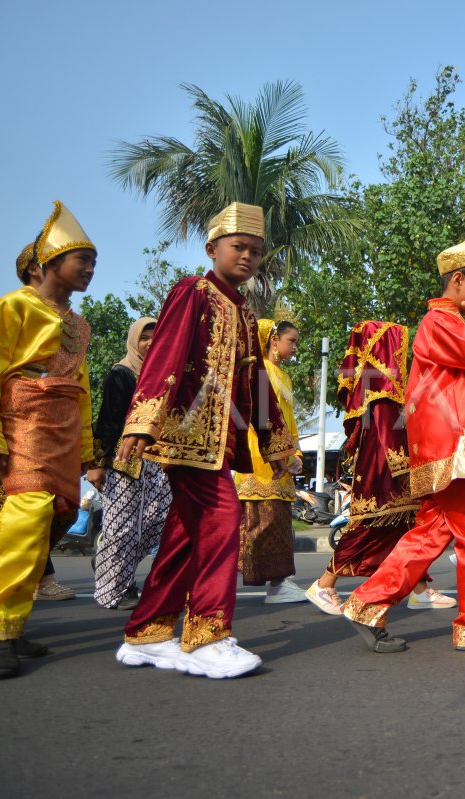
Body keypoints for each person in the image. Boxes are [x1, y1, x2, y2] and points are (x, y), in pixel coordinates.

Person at [113, 202, 293, 679]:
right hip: (185, 436)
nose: (248, 256)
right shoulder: (192, 292)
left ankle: (147, 632)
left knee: (184, 535)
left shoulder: (246, 314)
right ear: (212, 248)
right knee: (222, 516)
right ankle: (207, 635)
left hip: (219, 444)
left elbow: (256, 384)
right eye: (239, 247)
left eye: (256, 251)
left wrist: (274, 443)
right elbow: (166, 353)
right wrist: (142, 420)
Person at [341, 229, 465, 653]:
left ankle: (366, 604)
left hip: (450, 450)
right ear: (458, 280)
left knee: (430, 533)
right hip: (454, 449)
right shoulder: (439, 321)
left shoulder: (447, 322)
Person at [0, 201, 97, 677]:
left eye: (94, 262)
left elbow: (81, 389)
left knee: (47, 526)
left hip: (63, 429)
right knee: (27, 518)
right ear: (48, 263)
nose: (90, 269)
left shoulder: (79, 325)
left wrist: (87, 452)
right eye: (82, 259)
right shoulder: (13, 306)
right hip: (24, 422)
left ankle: (7, 624)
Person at [306, 320, 452, 614]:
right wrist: (404, 469)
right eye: (398, 346)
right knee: (368, 528)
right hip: (383, 473)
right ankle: (324, 584)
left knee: (405, 529)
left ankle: (418, 589)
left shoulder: (379, 391)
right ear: (384, 350)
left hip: (386, 471)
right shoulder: (382, 393)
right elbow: (388, 436)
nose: (403, 354)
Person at [85, 317, 171, 610]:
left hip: (157, 464)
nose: (149, 343)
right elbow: (108, 422)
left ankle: (110, 564)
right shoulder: (121, 374)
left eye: (155, 336)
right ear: (134, 341)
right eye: (144, 337)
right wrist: (97, 464)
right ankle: (116, 590)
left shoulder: (165, 375)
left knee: (159, 522)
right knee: (121, 528)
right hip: (123, 463)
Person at [233, 318, 308, 603]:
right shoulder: (259, 373)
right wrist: (277, 452)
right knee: (257, 524)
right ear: (273, 340)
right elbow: (258, 421)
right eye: (292, 341)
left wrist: (296, 453)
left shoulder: (284, 377)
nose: (295, 347)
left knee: (277, 523)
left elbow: (290, 422)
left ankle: (279, 583)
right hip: (260, 460)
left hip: (282, 460)